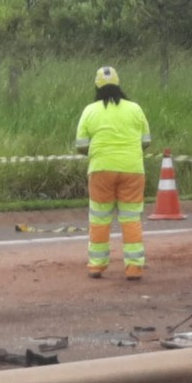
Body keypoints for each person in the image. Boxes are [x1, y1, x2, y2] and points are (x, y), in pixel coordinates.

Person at [74, 66, 152, 281]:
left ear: (97, 86)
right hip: (133, 171)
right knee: (131, 219)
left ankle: (96, 266)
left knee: (99, 220)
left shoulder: (90, 110)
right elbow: (146, 141)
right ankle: (134, 267)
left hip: (101, 170)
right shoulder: (135, 109)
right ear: (118, 85)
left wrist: (96, 153)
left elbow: (81, 144)